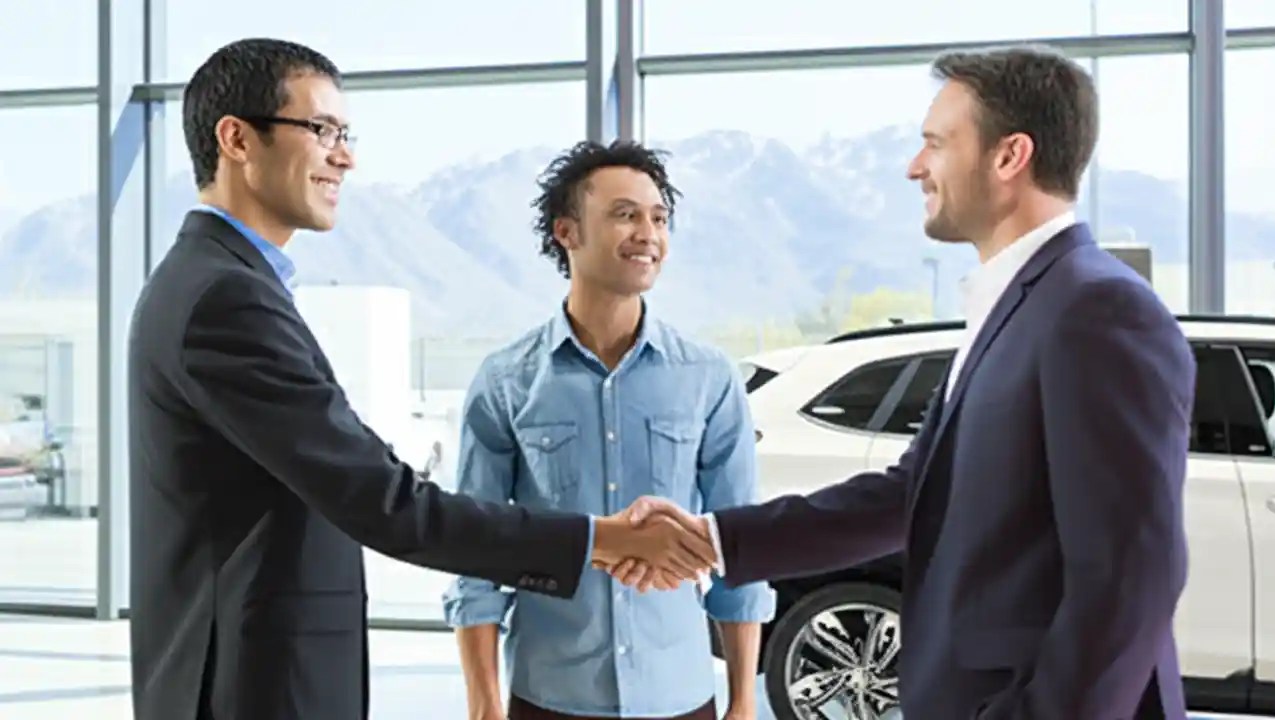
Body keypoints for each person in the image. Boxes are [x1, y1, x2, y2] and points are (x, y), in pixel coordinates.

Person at [127, 39, 713, 720]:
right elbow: (383, 499)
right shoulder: (225, 300)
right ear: (236, 139)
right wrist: (600, 540)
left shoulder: (221, 284)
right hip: (249, 687)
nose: (344, 155)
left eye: (345, 134)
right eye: (321, 130)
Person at [623, 45, 1196, 719]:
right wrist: (711, 541)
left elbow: (1131, 578)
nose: (913, 166)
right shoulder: (1020, 305)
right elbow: (908, 495)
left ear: (1009, 156)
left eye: (934, 144)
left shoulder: (1098, 311)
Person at [443, 140, 775, 720]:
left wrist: (744, 700)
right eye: (625, 215)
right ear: (566, 232)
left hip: (679, 695)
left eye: (659, 217)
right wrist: (483, 703)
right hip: (549, 695)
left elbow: (738, 547)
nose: (648, 233)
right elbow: (478, 555)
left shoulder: (709, 376)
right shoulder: (505, 381)